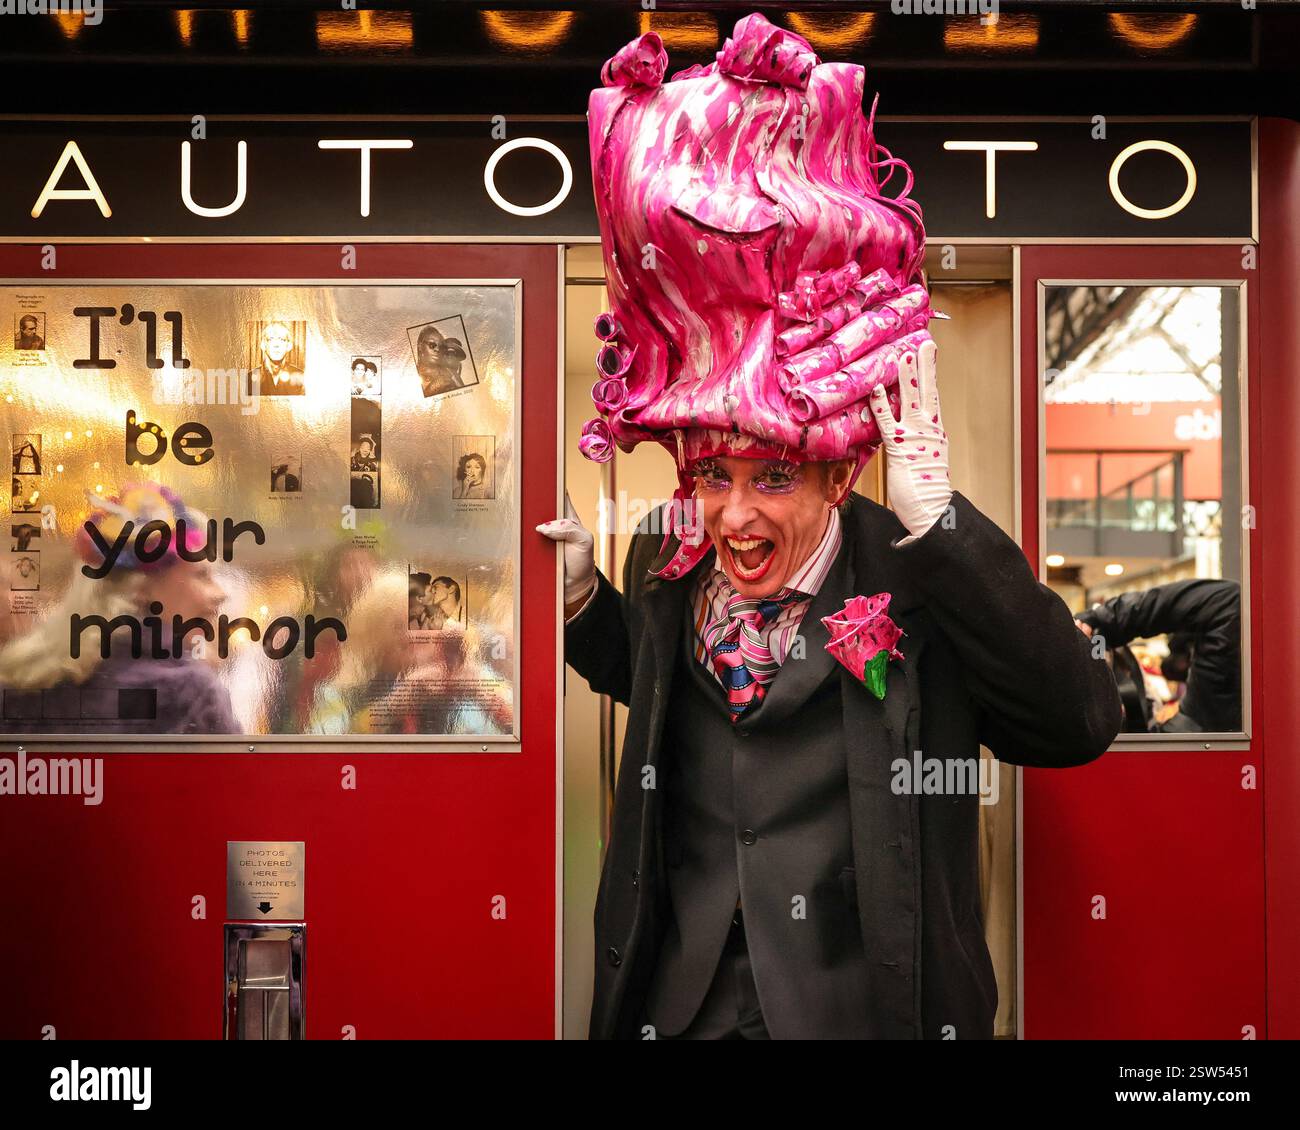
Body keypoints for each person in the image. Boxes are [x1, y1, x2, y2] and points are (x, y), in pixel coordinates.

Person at [538, 15, 1121, 1042]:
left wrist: (943, 527)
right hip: (680, 1004)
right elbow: (659, 683)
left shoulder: (916, 570)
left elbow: (1075, 722)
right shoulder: (666, 549)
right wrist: (589, 601)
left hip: (860, 1008)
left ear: (837, 469)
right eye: (712, 476)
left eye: (772, 477)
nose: (734, 513)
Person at [0, 484, 240, 735]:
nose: (220, 594)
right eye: (202, 575)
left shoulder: (25, 680)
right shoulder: (187, 693)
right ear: (141, 588)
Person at [1075, 578, 1241, 733]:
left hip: (1200, 732)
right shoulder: (1232, 603)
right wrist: (1097, 623)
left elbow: (1222, 601)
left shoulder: (1230, 602)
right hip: (1201, 731)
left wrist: (1097, 622)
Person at [249, 321, 305, 396]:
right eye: (270, 339)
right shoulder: (248, 379)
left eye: (282, 339)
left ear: (289, 346)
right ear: (263, 345)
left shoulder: (303, 378)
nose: (276, 345)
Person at [415, 323, 469, 397]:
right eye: (432, 345)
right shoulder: (414, 374)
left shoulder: (449, 374)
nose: (437, 349)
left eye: (440, 346)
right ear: (420, 346)